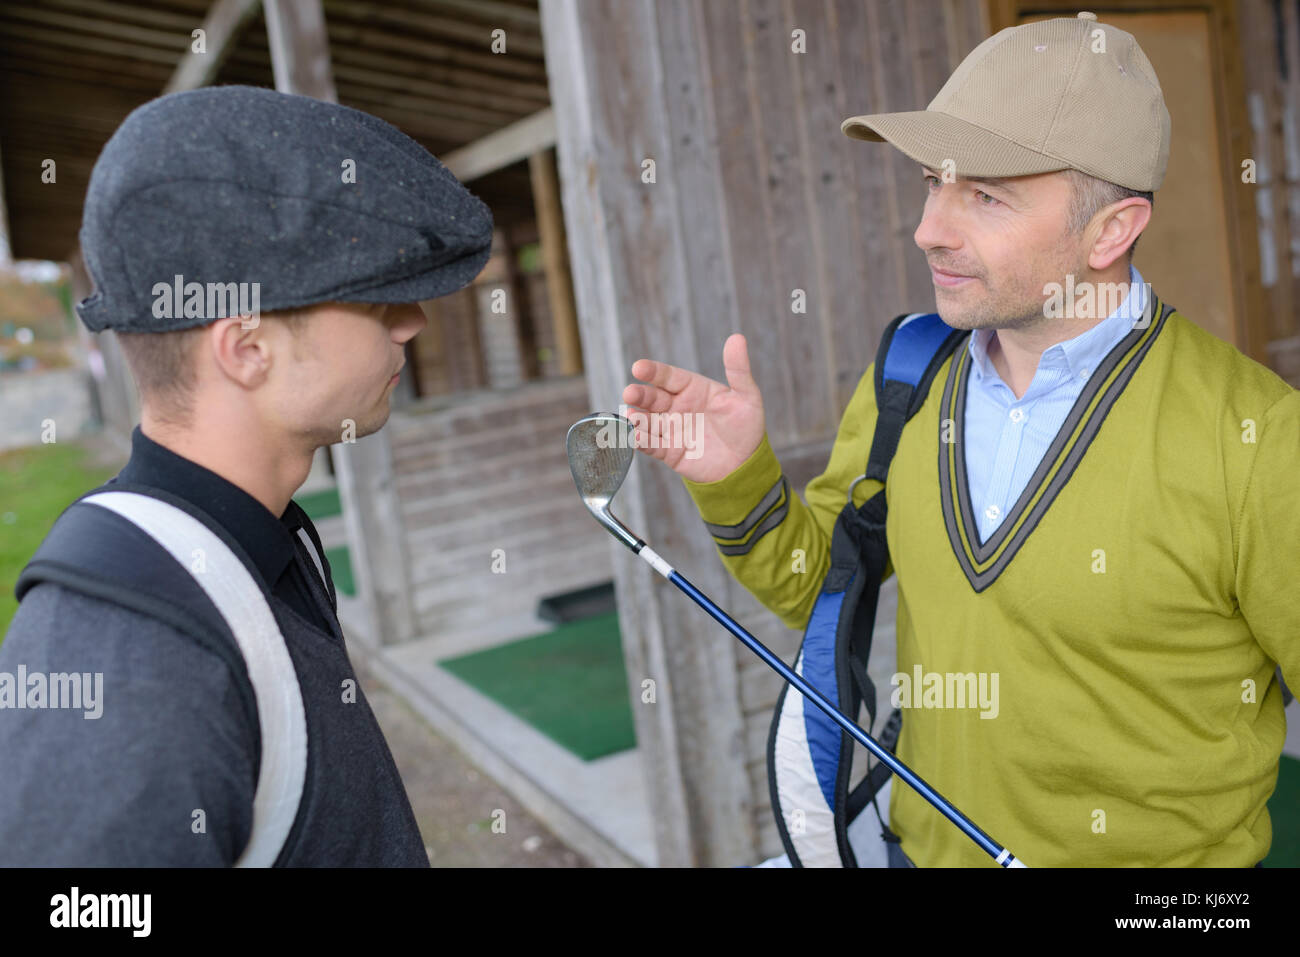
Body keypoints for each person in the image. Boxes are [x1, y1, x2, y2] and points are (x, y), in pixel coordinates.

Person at [622, 13, 1299, 866]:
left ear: (1111, 230)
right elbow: (819, 588)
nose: (929, 229)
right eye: (931, 184)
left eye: (984, 194)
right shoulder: (907, 372)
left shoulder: (1262, 441)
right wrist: (736, 478)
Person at [0, 85, 494, 865]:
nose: (412, 321)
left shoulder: (251, 544)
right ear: (247, 347)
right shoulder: (121, 670)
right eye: (375, 298)